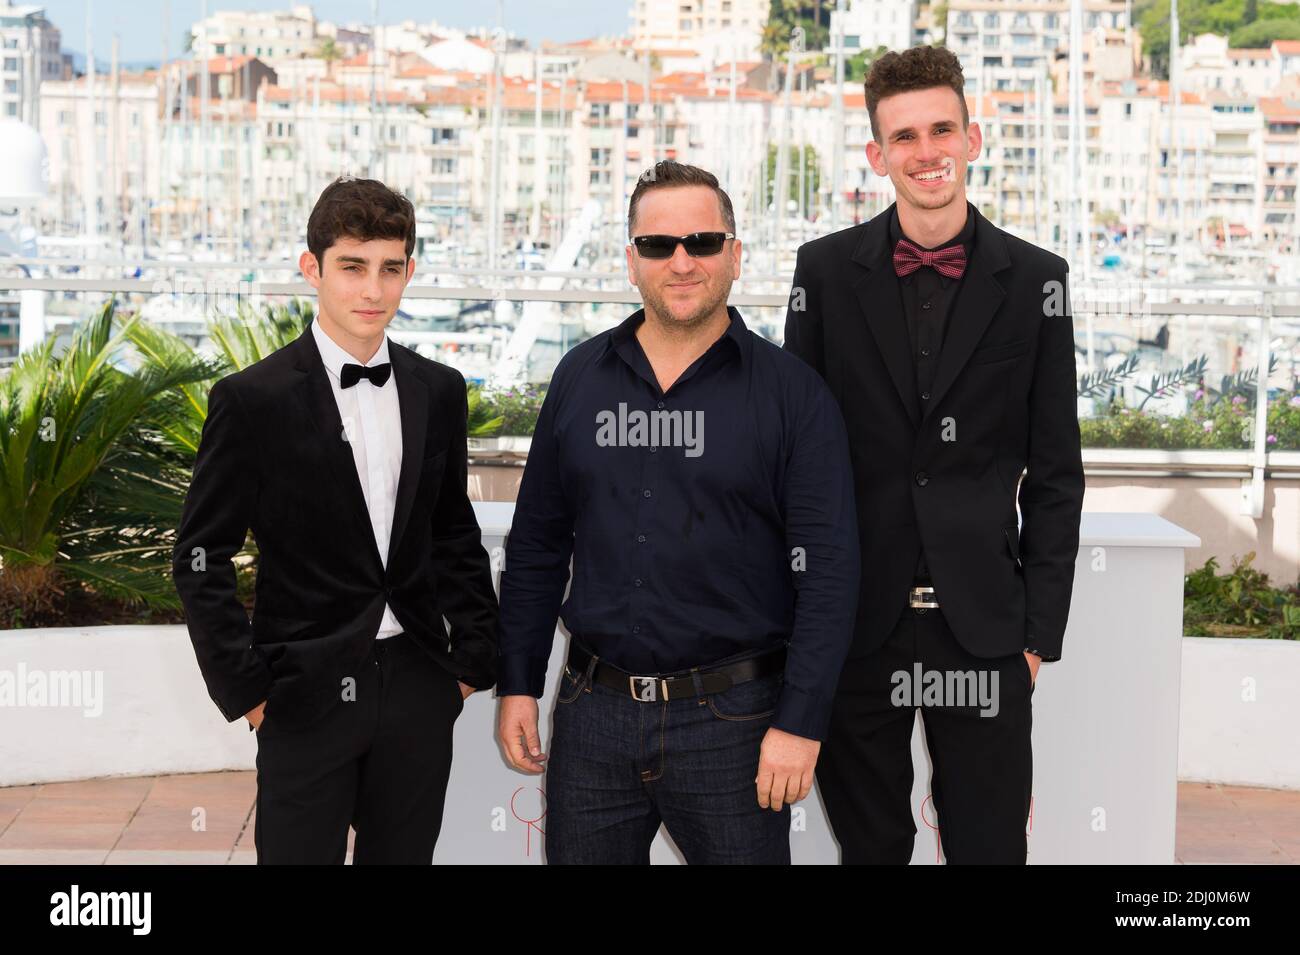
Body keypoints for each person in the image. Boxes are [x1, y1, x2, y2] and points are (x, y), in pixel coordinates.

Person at [496, 160, 859, 865]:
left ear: (735, 255)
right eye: (659, 245)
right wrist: (518, 681)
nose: (682, 261)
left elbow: (829, 573)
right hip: (591, 717)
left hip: (737, 726)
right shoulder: (578, 378)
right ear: (632, 261)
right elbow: (538, 544)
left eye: (703, 241)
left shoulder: (794, 396)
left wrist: (802, 721)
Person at [784, 46, 1084, 864]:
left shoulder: (1039, 279)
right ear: (877, 154)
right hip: (856, 627)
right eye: (905, 136)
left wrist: (1036, 634)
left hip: (986, 630)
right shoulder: (823, 273)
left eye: (942, 129)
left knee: (990, 848)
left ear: (972, 138)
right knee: (872, 848)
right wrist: (805, 613)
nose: (927, 151)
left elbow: (1057, 473)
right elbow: (797, 462)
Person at [173, 176, 499, 864]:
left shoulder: (440, 390)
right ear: (312, 268)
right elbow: (200, 556)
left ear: (409, 271)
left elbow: (452, 532)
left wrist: (469, 661)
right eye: (353, 266)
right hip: (302, 692)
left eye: (390, 268)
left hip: (418, 684)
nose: (372, 289)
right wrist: (250, 692)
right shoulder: (251, 400)